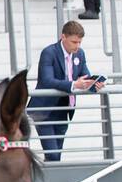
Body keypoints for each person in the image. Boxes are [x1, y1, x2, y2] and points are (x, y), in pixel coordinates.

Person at [28, 20, 105, 162]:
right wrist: (74, 84)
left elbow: (85, 76)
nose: (77, 46)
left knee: (56, 154)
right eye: (74, 42)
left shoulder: (80, 54)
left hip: (65, 109)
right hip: (44, 110)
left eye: (79, 42)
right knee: (53, 154)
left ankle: (51, 179)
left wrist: (94, 84)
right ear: (63, 37)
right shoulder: (49, 52)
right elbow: (46, 80)